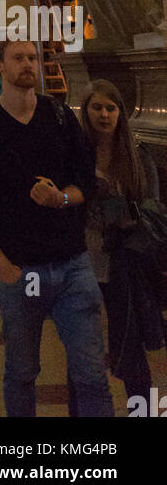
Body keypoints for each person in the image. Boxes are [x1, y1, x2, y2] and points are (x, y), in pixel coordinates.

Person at [0, 38, 114, 419]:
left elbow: (85, 184)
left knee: (91, 373)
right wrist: (1, 265)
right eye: (19, 58)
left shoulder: (59, 116)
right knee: (23, 372)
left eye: (33, 58)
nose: (29, 64)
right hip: (20, 269)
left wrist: (59, 198)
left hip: (72, 265)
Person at [73, 79, 165, 413]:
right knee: (81, 348)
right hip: (83, 262)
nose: (104, 114)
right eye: (96, 107)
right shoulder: (77, 153)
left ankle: (142, 410)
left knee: (131, 347)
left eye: (111, 108)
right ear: (86, 111)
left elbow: (151, 209)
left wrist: (122, 215)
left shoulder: (136, 154)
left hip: (126, 265)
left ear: (120, 113)